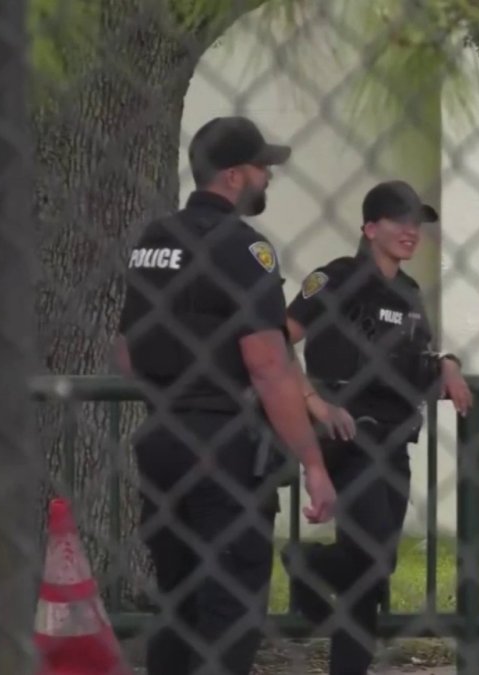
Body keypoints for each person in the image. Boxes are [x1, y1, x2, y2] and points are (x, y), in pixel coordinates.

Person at [113, 116, 338, 675]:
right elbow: (267, 364)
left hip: (162, 435)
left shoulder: (155, 239)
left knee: (178, 599)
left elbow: (125, 351)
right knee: (229, 607)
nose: (268, 179)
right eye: (263, 169)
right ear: (235, 176)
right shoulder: (244, 248)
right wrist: (312, 460)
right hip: (224, 443)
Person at [279, 180, 473, 675]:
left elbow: (417, 359)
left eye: (417, 223)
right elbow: (278, 340)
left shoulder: (409, 294)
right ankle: (304, 566)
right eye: (399, 220)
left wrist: (447, 362)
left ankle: (312, 573)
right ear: (369, 228)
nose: (412, 231)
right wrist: (312, 401)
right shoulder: (337, 278)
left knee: (374, 568)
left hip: (394, 439)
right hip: (347, 436)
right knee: (367, 562)